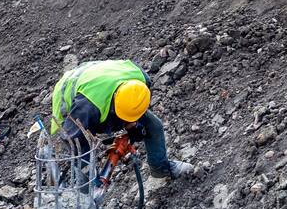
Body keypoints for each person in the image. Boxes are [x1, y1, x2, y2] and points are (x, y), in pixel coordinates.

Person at [49, 59, 193, 178]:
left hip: (101, 75)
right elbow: (70, 137)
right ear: (114, 104)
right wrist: (88, 171)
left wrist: (132, 124)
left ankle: (160, 167)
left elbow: (135, 108)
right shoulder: (87, 107)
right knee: (83, 151)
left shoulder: (141, 81)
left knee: (153, 125)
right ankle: (86, 198)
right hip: (70, 89)